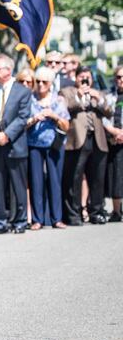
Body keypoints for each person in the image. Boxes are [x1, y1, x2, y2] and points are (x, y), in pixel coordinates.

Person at [0, 55, 32, 234]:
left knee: (18, 184)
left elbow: (23, 116)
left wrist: (7, 135)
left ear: (8, 70)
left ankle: (20, 220)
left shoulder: (22, 91)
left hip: (15, 144)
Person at [60, 66, 111, 225]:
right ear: (76, 78)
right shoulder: (67, 91)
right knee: (74, 178)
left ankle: (96, 211)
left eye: (87, 77)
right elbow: (66, 108)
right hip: (77, 140)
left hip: (97, 140)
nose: (84, 80)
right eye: (81, 77)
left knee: (97, 177)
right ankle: (74, 214)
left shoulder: (98, 93)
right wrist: (79, 97)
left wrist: (99, 99)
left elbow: (109, 111)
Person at [26, 66, 70, 229]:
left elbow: (66, 125)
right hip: (34, 144)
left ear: (51, 83)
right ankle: (38, 219)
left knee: (55, 180)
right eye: (38, 81)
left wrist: (54, 116)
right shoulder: (30, 99)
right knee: (36, 181)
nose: (41, 85)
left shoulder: (58, 101)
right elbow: (22, 124)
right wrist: (34, 119)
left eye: (45, 82)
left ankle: (56, 218)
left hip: (54, 144)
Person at [105, 67, 123, 221]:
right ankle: (116, 211)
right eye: (118, 77)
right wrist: (113, 131)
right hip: (114, 139)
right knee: (116, 174)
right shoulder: (109, 97)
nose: (121, 80)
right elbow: (104, 117)